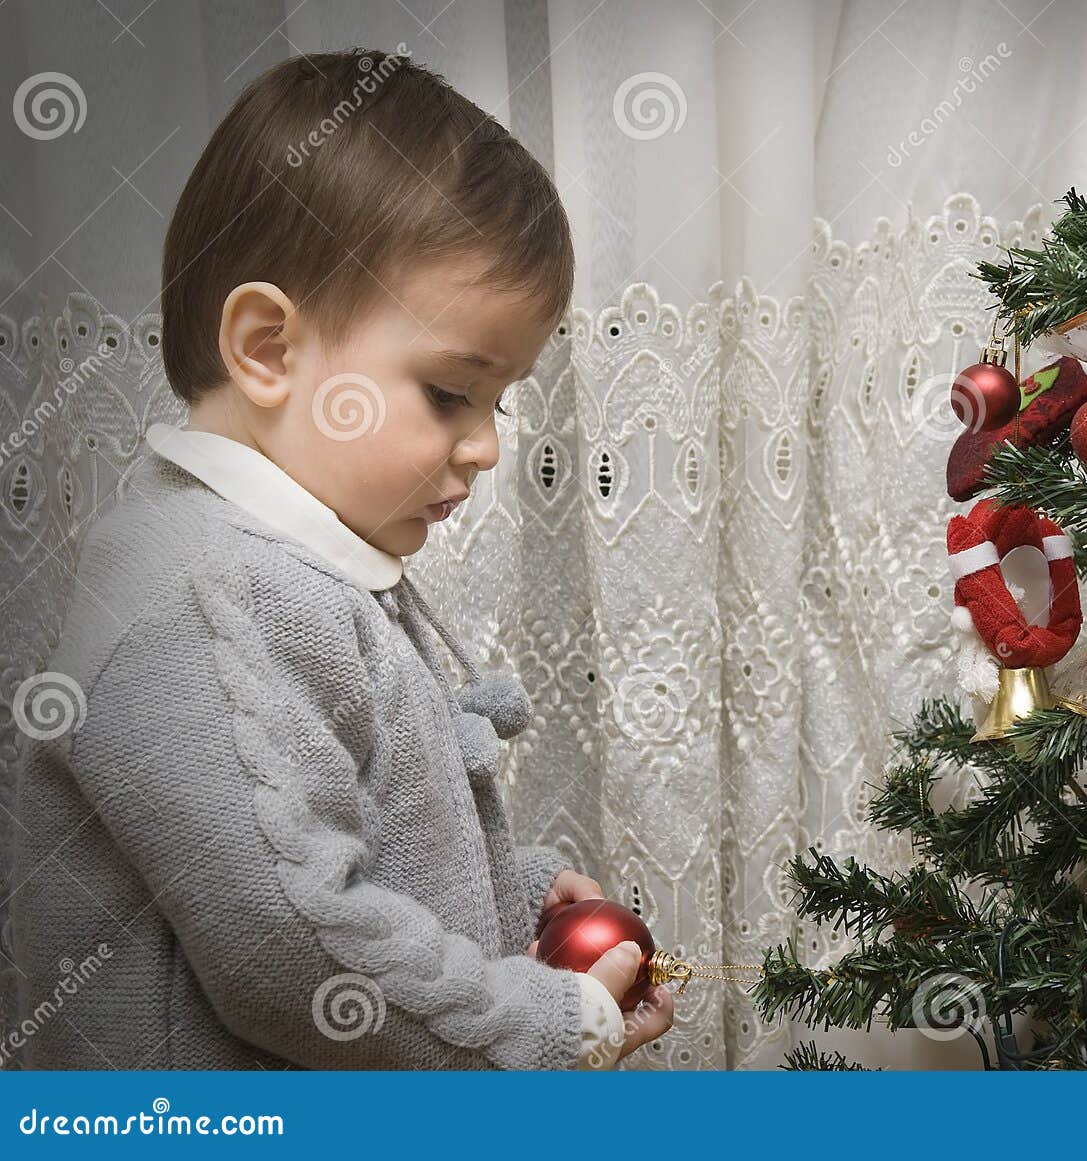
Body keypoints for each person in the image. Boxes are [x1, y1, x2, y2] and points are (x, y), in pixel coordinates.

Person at [12, 48, 672, 1070]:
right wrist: (553, 1027)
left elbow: (370, 836)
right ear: (270, 349)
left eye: (498, 402)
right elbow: (296, 947)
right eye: (452, 393)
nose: (489, 444)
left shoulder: (302, 568)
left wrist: (514, 890)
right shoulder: (204, 596)